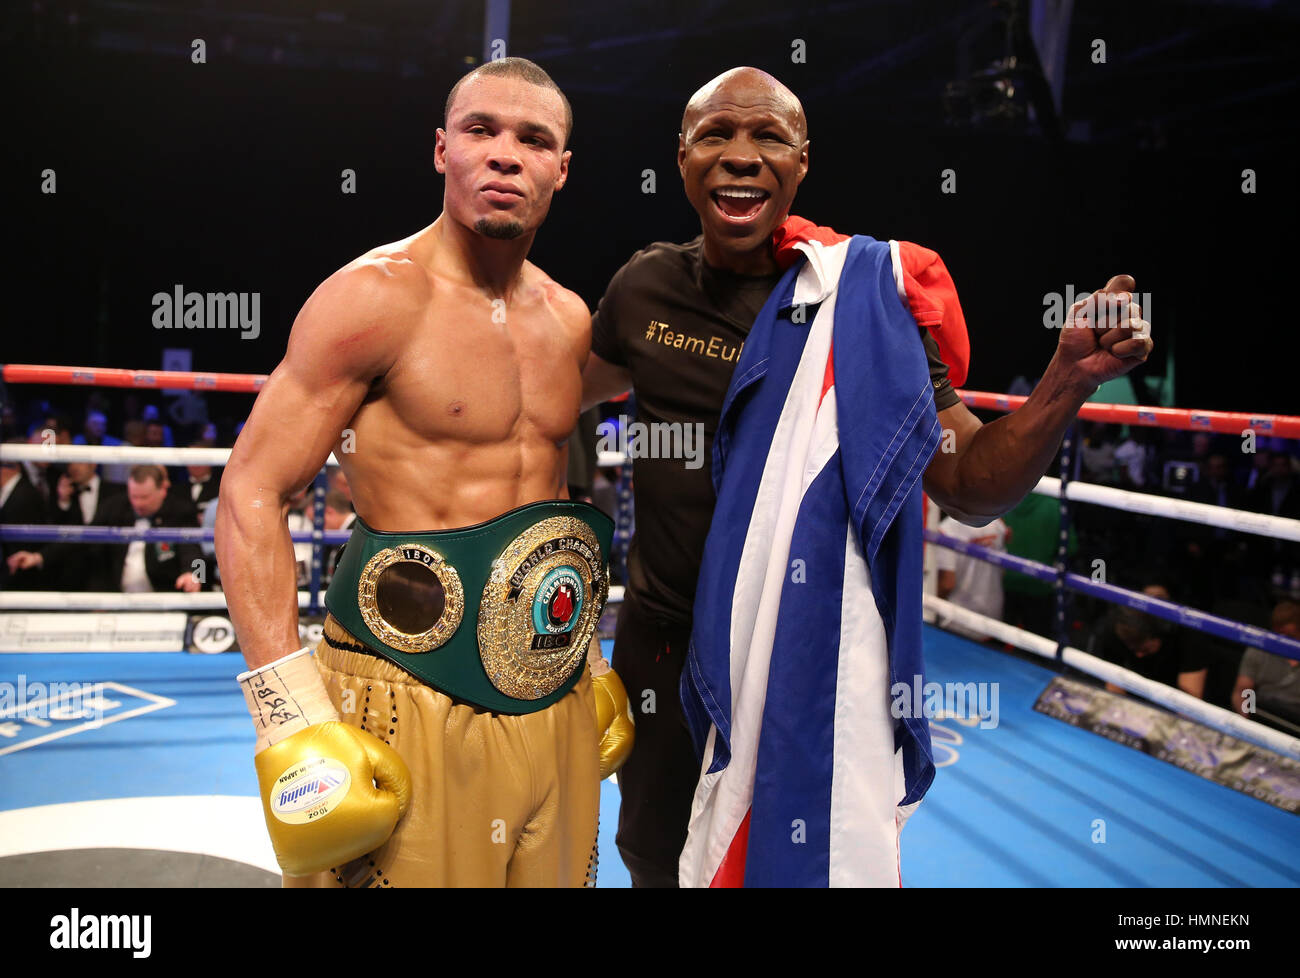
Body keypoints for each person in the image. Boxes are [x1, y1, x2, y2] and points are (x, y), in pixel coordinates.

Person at [580, 66, 1152, 887]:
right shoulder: (643, 289)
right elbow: (546, 396)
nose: (741, 155)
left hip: (800, 654)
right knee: (656, 857)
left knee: (790, 864)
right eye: (717, 135)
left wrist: (1066, 380)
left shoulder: (862, 302)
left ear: (802, 161)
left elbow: (969, 485)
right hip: (663, 646)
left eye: (768, 136)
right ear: (681, 157)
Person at [215, 57, 633, 888]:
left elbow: (541, 499)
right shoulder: (373, 298)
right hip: (404, 686)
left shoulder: (568, 319)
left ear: (561, 169)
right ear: (443, 149)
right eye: (482, 130)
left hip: (548, 693)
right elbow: (251, 491)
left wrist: (584, 660)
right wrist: (289, 719)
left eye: (533, 139)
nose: (505, 154)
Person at [1088, 584, 1210, 700]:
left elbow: (1188, 707)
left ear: (1160, 635)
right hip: (1134, 695)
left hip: (1173, 697)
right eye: (1133, 649)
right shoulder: (1113, 630)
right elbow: (1114, 691)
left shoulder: (1190, 636)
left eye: (1144, 649)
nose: (1139, 655)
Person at [934, 513, 1011, 641]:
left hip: (957, 621)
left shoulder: (947, 529)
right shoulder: (997, 523)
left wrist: (930, 604)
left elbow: (947, 583)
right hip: (992, 618)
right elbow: (1002, 571)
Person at [1233, 600, 1300, 730]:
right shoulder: (1259, 649)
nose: (1283, 640)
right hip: (1261, 715)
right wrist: (1247, 724)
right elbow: (1243, 690)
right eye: (1278, 634)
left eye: (1290, 636)